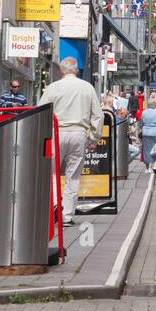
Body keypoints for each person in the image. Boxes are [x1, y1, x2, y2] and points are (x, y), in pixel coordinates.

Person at [40, 57, 104, 226]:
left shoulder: (53, 87)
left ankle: (54, 208)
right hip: (79, 133)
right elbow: (98, 115)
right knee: (73, 176)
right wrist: (94, 138)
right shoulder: (87, 88)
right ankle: (67, 216)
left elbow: (40, 112)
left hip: (56, 132)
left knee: (52, 173)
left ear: (61, 70)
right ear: (76, 70)